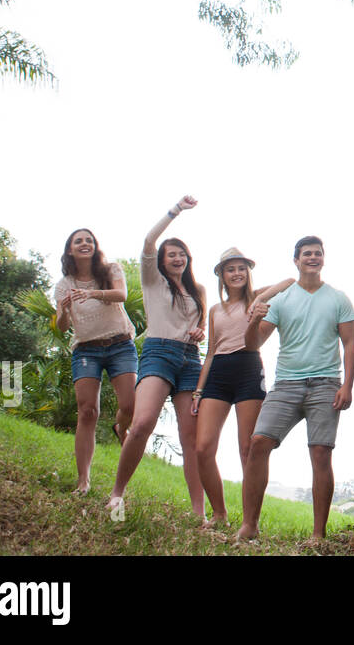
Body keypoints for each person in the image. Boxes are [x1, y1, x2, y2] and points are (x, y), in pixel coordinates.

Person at [235, 236, 354, 544]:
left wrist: (347, 385)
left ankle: (318, 535)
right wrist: (253, 321)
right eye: (307, 254)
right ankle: (249, 526)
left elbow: (350, 344)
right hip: (286, 385)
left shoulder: (338, 298)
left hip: (326, 384)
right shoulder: (281, 299)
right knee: (258, 443)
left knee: (320, 453)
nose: (313, 258)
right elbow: (253, 344)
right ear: (297, 260)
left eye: (317, 253)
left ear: (323, 259)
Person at [107, 196, 207, 520]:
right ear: (162, 260)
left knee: (190, 438)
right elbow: (150, 240)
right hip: (158, 353)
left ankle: (198, 513)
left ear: (187, 258)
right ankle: (116, 494)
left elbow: (201, 324)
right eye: (171, 254)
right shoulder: (153, 281)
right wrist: (176, 210)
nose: (177, 258)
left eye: (181, 253)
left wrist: (201, 330)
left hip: (190, 361)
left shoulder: (197, 290)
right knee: (142, 423)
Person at [191, 248, 294, 528]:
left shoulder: (258, 296)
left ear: (248, 273)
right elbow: (211, 351)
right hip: (219, 374)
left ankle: (250, 522)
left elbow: (289, 281)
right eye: (230, 269)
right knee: (202, 448)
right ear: (222, 277)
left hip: (248, 369)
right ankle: (219, 513)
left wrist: (258, 298)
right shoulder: (215, 309)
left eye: (241, 268)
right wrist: (199, 390)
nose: (236, 273)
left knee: (247, 450)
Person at [55, 228, 137, 495]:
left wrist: (92, 294)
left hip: (120, 344)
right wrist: (65, 309)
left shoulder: (111, 270)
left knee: (129, 404)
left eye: (89, 240)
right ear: (70, 250)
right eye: (78, 241)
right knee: (87, 411)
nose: (84, 243)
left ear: (95, 246)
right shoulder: (64, 284)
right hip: (86, 350)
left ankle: (120, 427)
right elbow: (61, 325)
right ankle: (83, 481)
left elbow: (121, 294)